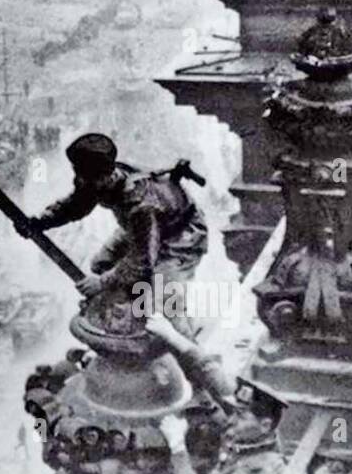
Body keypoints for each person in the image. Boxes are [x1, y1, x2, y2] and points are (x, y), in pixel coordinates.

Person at [16, 133, 208, 337]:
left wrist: (102, 283)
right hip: (143, 227)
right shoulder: (95, 180)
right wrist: (40, 222)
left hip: (180, 235)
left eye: (87, 178)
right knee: (101, 264)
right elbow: (76, 206)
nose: (81, 182)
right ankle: (132, 312)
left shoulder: (140, 204)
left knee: (166, 298)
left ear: (105, 176)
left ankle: (189, 347)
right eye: (79, 175)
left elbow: (141, 261)